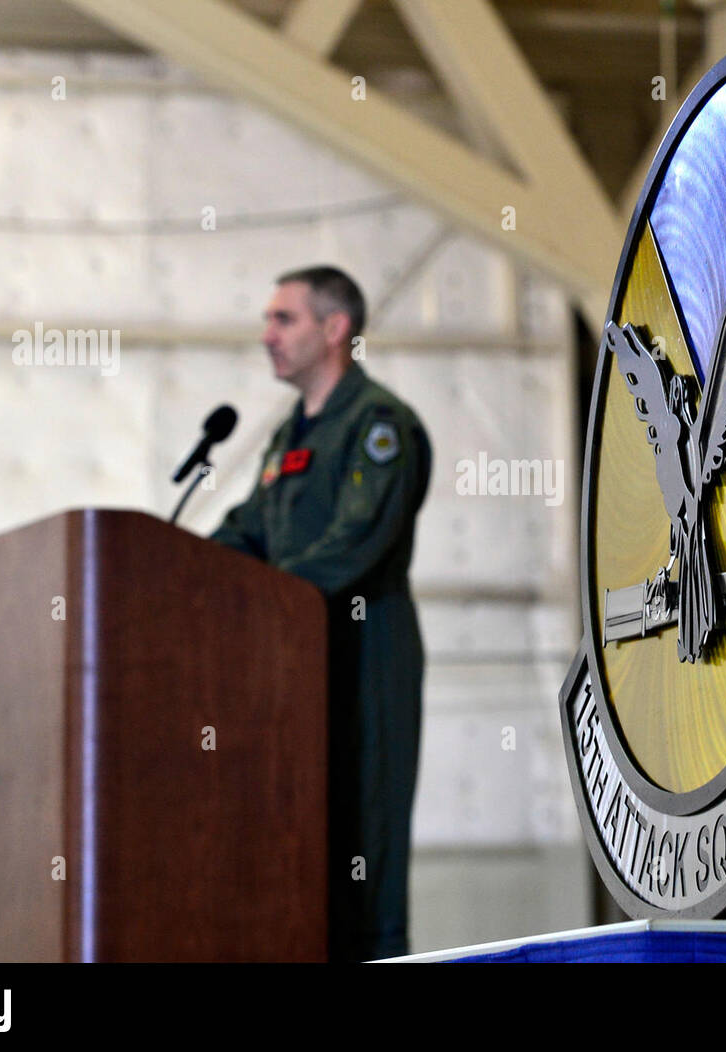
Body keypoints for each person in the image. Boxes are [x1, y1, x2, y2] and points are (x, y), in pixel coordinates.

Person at [210, 265, 431, 960]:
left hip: (364, 661)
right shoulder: (285, 440)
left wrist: (266, 597)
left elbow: (353, 545)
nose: (266, 334)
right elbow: (247, 529)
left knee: (363, 842)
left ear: (335, 329)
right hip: (292, 666)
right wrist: (174, 575)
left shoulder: (378, 426)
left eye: (284, 319)